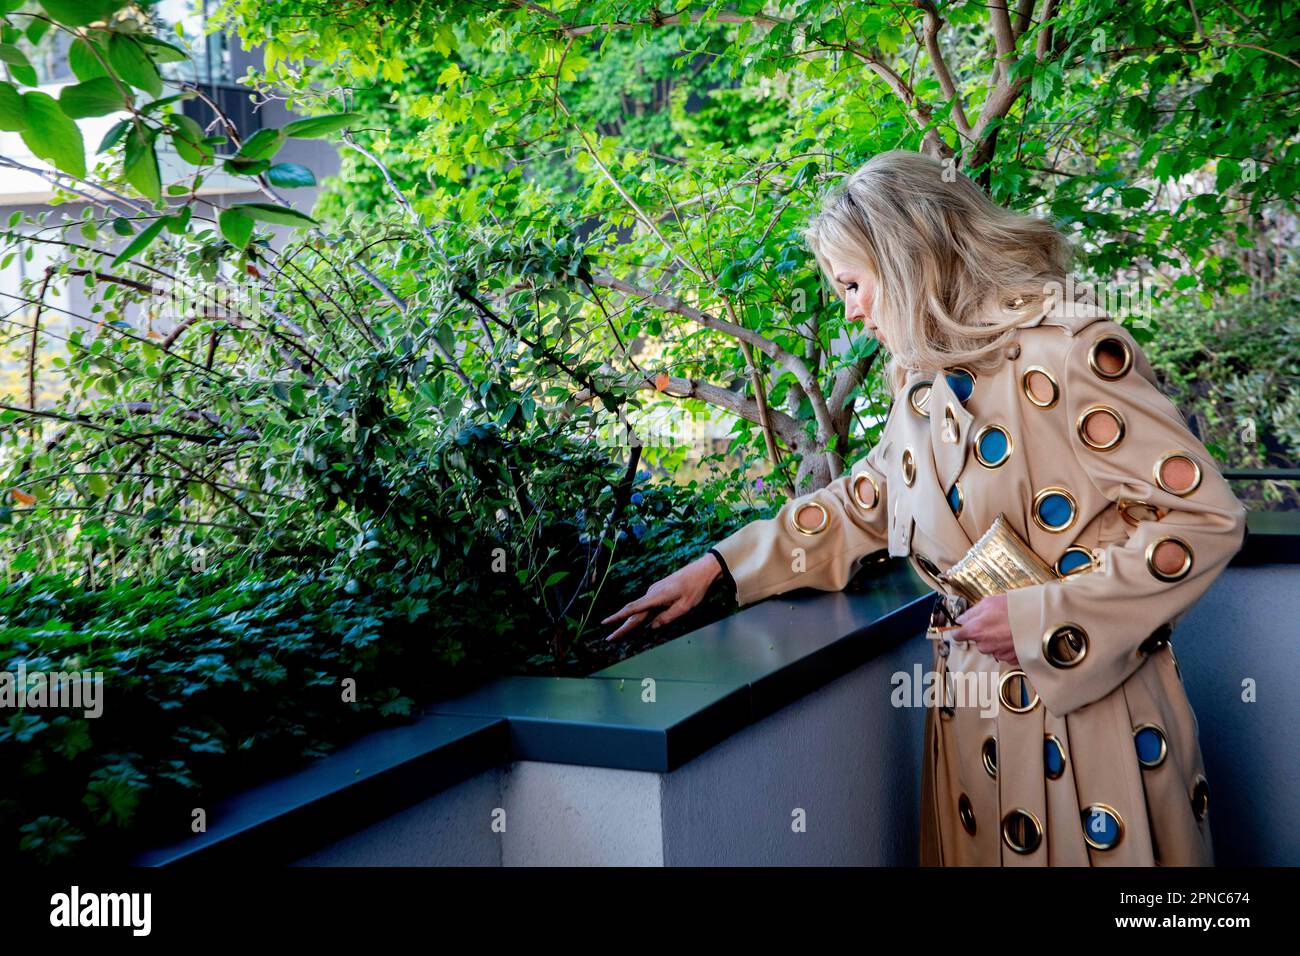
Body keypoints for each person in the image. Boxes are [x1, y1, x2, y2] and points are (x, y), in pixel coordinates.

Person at [601, 149, 1249, 866]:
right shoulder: (921, 378)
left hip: (1093, 719)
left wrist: (1045, 619)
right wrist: (720, 566)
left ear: (906, 260)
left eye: (853, 284)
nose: (849, 308)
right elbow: (865, 502)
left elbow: (1203, 517)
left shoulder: (1069, 348)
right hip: (975, 722)